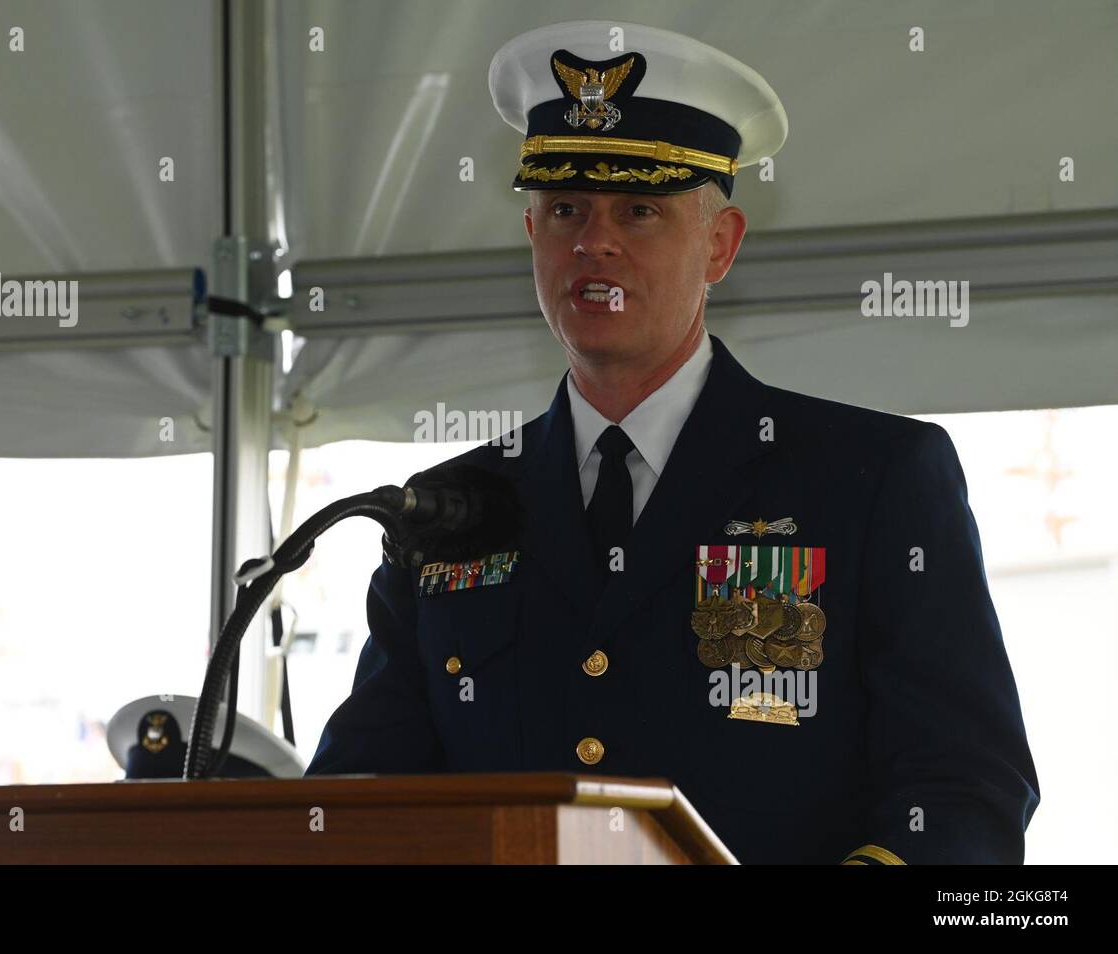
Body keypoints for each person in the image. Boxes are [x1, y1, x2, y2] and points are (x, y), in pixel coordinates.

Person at [306, 20, 1039, 865]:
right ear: (531, 236)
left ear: (720, 246)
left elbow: (964, 793)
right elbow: (358, 797)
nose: (595, 241)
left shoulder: (873, 479)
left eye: (641, 209)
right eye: (566, 209)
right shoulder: (448, 509)